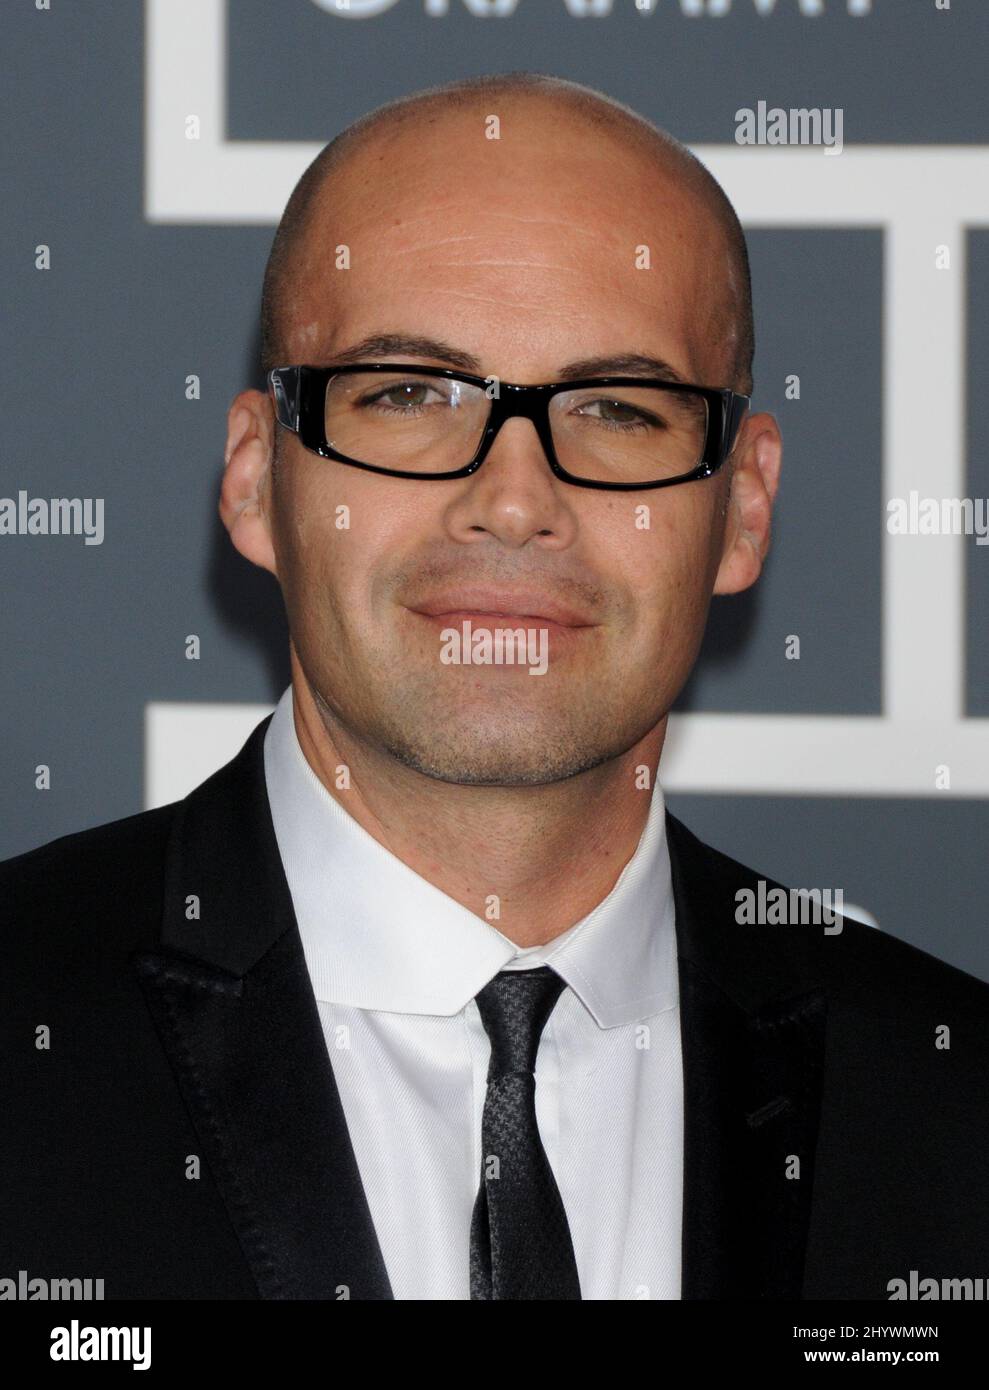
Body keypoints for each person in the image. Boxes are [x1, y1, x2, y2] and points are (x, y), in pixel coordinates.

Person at [2, 71, 987, 1303]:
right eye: (409, 394)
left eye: (619, 409)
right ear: (256, 480)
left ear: (741, 508)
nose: (515, 501)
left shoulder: (950, 1111)